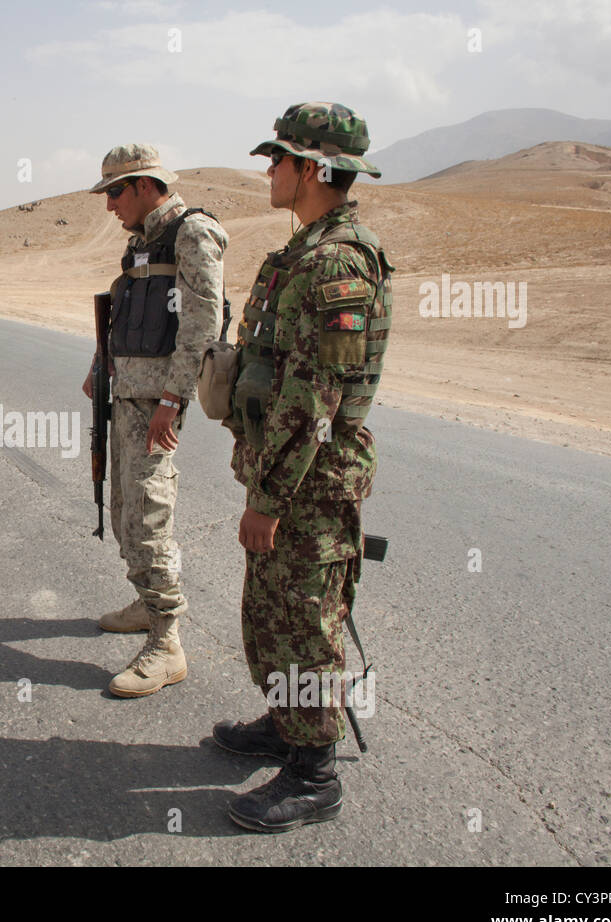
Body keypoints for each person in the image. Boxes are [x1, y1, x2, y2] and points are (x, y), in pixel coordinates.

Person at [214, 102, 393, 832]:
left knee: (307, 621)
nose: (268, 170)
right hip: (291, 471)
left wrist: (270, 496)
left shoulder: (335, 262)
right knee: (276, 611)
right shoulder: (304, 249)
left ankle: (313, 775)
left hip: (310, 477)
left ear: (314, 169)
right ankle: (288, 724)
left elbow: (313, 398)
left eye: (278, 159)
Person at [82, 144, 228, 698]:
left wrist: (173, 399)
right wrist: (101, 364)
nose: (110, 204)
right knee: (123, 512)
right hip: (129, 397)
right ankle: (146, 606)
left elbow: (203, 320)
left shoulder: (191, 233)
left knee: (147, 518)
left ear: (146, 185)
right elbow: (122, 313)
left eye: (116, 192)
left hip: (158, 403)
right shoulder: (141, 241)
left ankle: (167, 642)